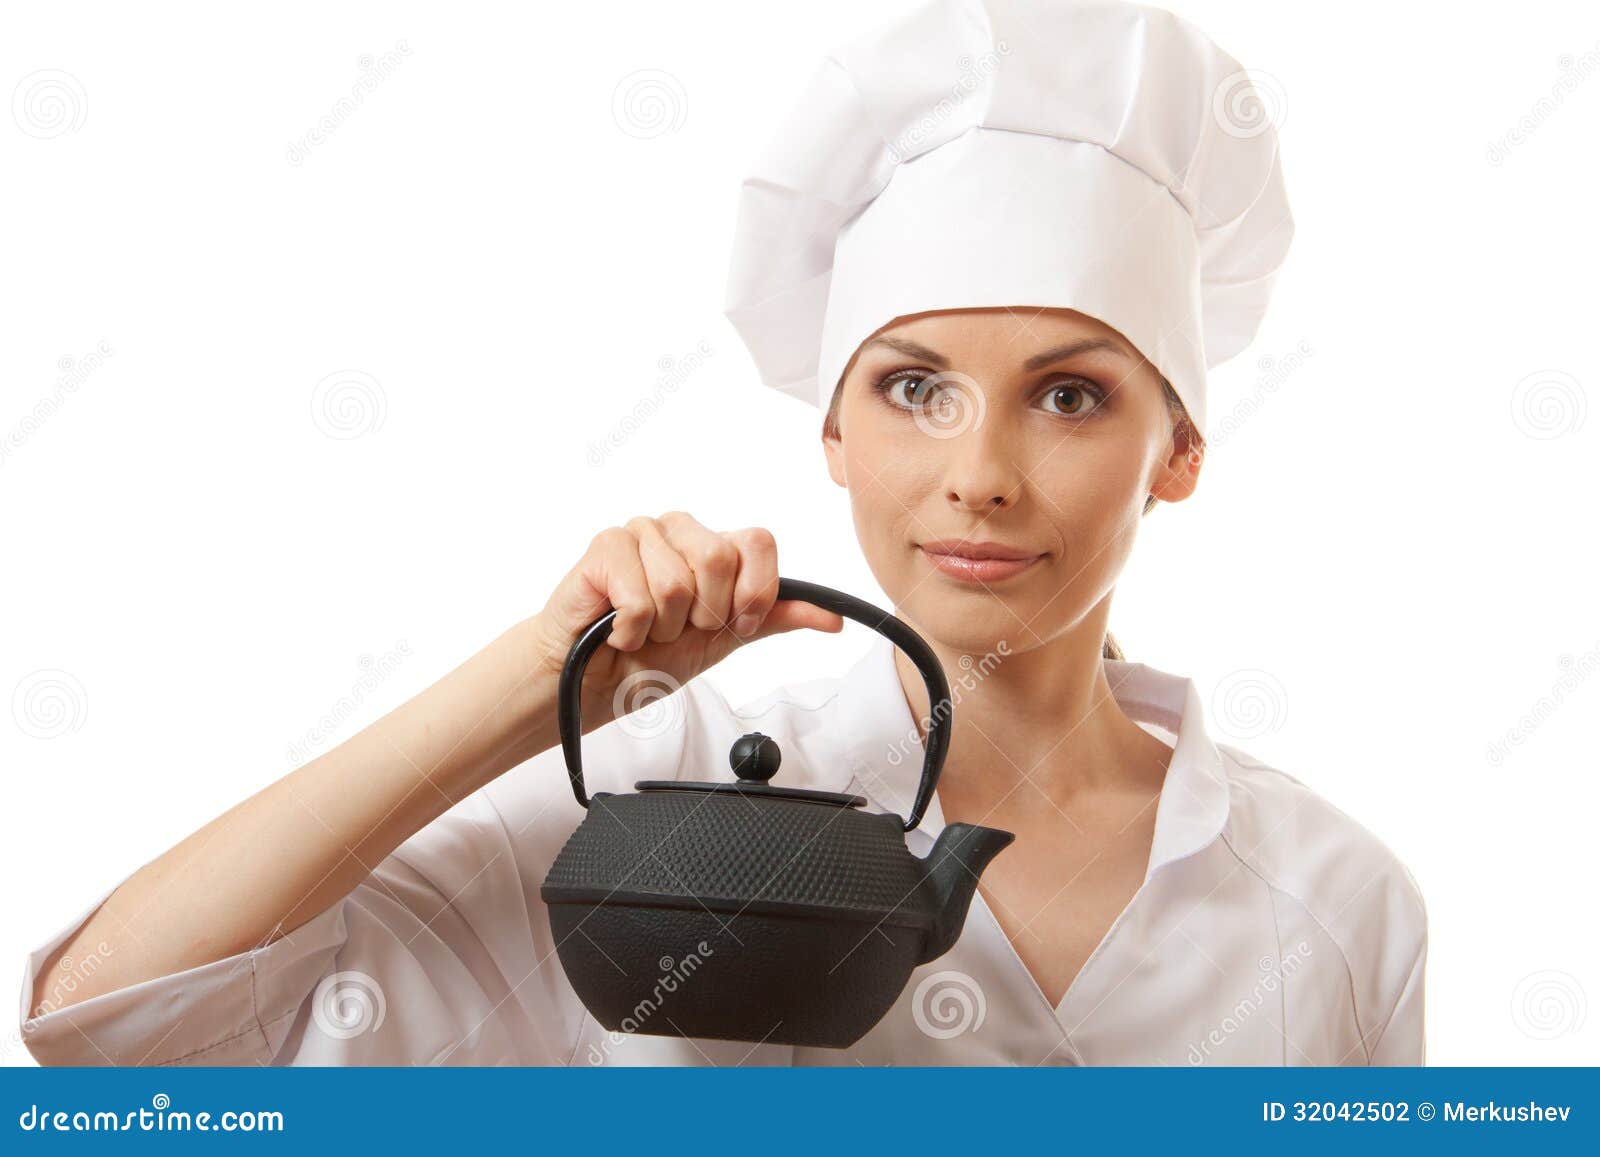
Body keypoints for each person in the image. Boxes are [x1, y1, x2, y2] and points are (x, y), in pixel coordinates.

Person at [19, 0, 1425, 1066]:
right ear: (834, 433)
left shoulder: (1337, 900)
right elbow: (111, 1035)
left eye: (1069, 396)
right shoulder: (655, 809)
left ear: (1178, 449)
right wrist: (538, 676)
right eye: (913, 388)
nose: (981, 476)